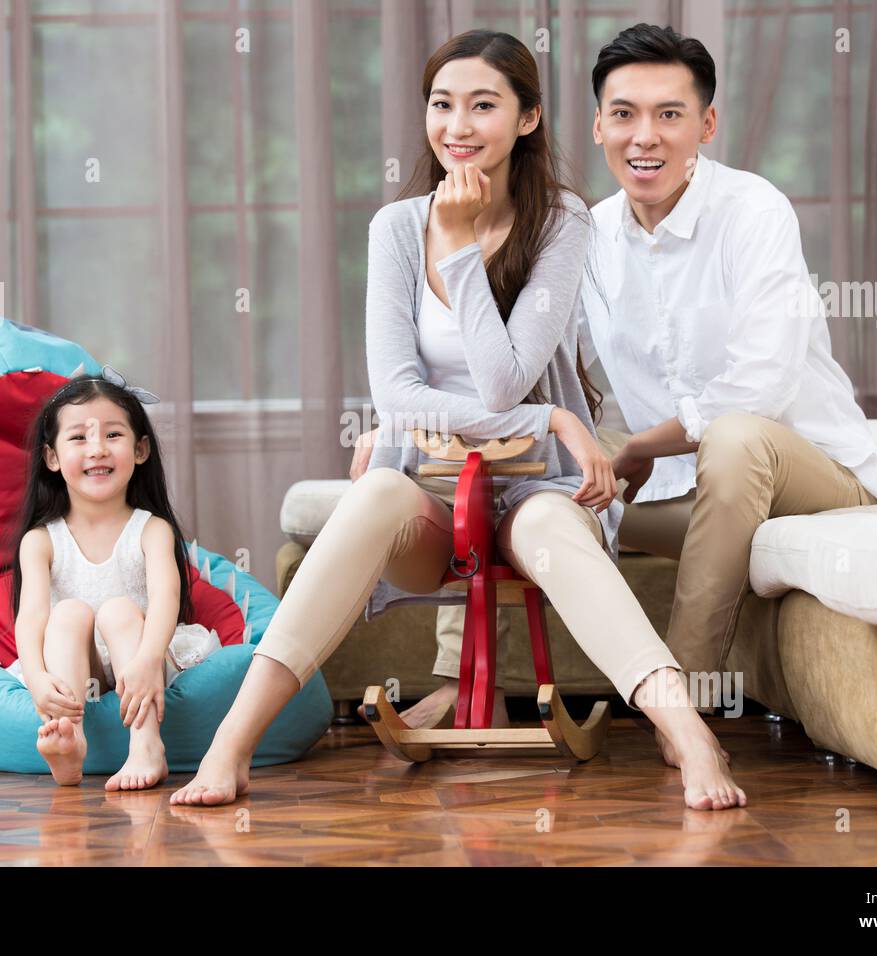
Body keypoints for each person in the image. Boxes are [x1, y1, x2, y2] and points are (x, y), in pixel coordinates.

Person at [171, 29, 746, 812]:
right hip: (427, 490)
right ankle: (231, 745)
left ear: (529, 119)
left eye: (484, 105)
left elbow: (505, 374)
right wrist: (550, 413)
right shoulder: (396, 228)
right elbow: (400, 395)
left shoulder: (562, 224)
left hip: (535, 485)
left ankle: (687, 734)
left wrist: (461, 252)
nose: (459, 127)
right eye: (443, 105)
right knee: (371, 496)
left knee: (548, 530)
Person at [423, 22, 877, 766]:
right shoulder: (586, 232)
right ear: (597, 125)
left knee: (737, 437)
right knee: (527, 462)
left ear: (706, 124)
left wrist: (643, 444)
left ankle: (686, 707)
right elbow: (523, 369)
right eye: (624, 114)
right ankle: (461, 674)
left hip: (813, 477)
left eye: (669, 115)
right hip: (689, 498)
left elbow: (761, 386)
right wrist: (408, 420)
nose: (644, 137)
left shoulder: (753, 211)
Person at [5, 372, 221, 790]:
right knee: (66, 613)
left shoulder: (151, 529)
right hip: (77, 664)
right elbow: (31, 617)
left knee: (120, 610)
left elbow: (164, 602)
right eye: (79, 438)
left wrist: (146, 660)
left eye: (113, 434)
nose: (98, 449)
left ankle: (146, 748)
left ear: (141, 450)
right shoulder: (40, 541)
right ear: (51, 457)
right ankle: (70, 740)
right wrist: (35, 677)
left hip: (141, 656)